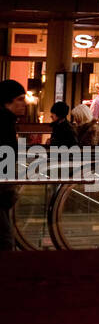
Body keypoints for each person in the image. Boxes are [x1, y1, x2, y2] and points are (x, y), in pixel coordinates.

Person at [0, 79, 25, 250]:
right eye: (20, 99)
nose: (25, 104)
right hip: (1, 190)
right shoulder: (3, 123)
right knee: (5, 241)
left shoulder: (7, 121)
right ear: (7, 100)